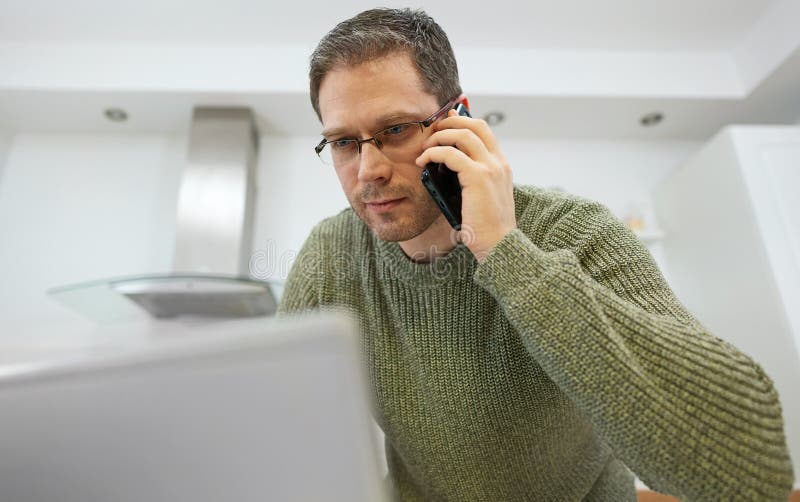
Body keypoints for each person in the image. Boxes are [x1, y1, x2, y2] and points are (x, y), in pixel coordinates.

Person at [278, 7, 794, 501]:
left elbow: (750, 470)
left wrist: (505, 251)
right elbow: (279, 425)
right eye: (344, 142)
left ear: (456, 118)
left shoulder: (576, 231)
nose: (368, 169)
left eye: (394, 130)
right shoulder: (330, 255)